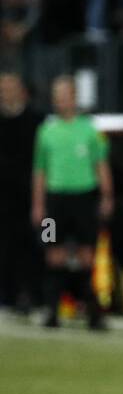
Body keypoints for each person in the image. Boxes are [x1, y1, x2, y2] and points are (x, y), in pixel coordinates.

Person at [31, 76, 113, 330]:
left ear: (74, 98)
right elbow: (39, 171)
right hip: (55, 201)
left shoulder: (90, 130)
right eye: (57, 95)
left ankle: (93, 313)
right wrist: (38, 205)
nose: (61, 100)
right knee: (52, 254)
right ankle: (52, 311)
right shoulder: (45, 131)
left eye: (65, 95)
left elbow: (101, 165)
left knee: (87, 255)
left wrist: (107, 195)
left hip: (84, 198)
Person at [0, 73, 43, 312]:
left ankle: (41, 295)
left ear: (21, 90)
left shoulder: (39, 121)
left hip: (40, 199)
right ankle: (9, 295)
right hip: (5, 200)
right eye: (2, 88)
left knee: (46, 240)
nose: (6, 92)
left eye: (10, 87)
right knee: (7, 245)